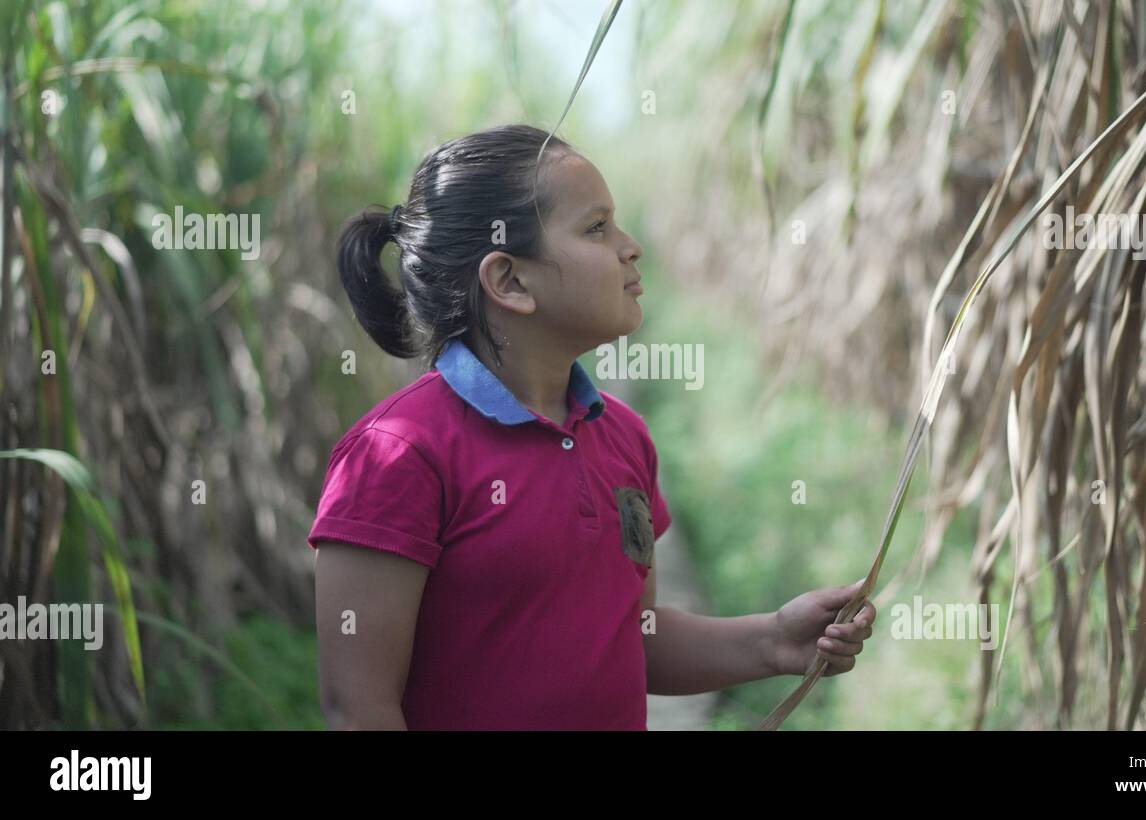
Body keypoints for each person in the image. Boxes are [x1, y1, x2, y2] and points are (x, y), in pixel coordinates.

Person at [309, 123, 876, 730]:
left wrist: (772, 641)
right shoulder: (397, 456)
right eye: (596, 228)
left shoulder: (624, 436)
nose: (630, 248)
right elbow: (360, 708)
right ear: (510, 281)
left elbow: (635, 635)